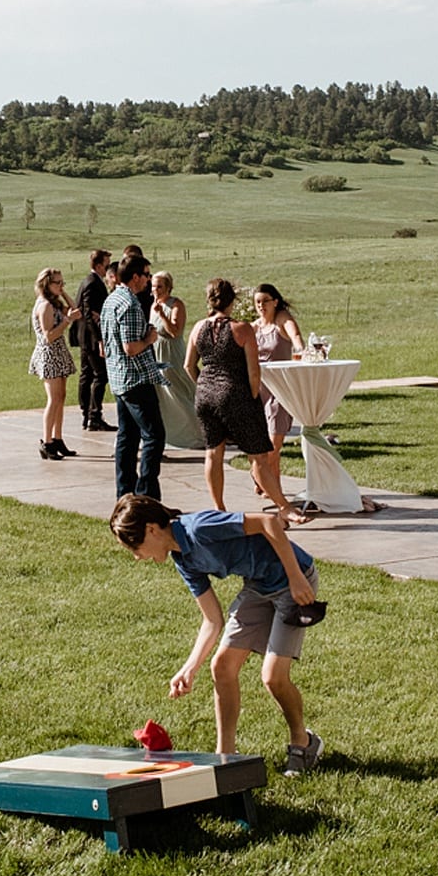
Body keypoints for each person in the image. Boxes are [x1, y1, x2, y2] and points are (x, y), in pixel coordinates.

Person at [109, 494, 325, 775]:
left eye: (135, 547)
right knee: (221, 666)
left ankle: (303, 742)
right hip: (258, 585)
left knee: (273, 677)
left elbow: (269, 522)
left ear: (152, 529)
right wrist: (189, 668)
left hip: (294, 579)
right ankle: (225, 757)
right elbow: (212, 619)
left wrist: (295, 577)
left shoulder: (199, 528)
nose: (137, 557)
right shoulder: (183, 560)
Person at [187, 278, 298, 517]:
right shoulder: (242, 329)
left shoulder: (198, 328)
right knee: (257, 455)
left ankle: (219, 507)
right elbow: (254, 371)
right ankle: (284, 507)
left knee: (213, 453)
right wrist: (254, 396)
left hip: (205, 396)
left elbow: (188, 365)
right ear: (232, 302)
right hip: (235, 394)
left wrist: (204, 384)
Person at [101, 254, 166, 499]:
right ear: (136, 277)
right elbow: (131, 348)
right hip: (135, 379)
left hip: (119, 379)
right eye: (147, 275)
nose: (149, 280)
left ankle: (125, 494)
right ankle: (146, 495)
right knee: (154, 435)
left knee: (128, 438)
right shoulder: (129, 304)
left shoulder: (111, 300)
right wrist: (149, 338)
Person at [148, 271, 206, 451]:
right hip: (157, 353)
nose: (155, 290)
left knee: (181, 392)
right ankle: (172, 433)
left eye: (159, 287)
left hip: (172, 353)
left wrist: (163, 315)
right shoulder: (153, 305)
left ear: (168, 288)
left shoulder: (176, 305)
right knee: (164, 395)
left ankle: (198, 433)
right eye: (153, 286)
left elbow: (175, 332)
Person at [28, 267, 82, 460]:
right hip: (49, 353)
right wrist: (67, 320)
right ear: (46, 284)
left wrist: (63, 292)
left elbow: (75, 307)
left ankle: (57, 437)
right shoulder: (45, 306)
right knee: (53, 399)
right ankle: (46, 441)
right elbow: (49, 336)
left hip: (59, 352)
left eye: (62, 282)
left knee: (61, 397)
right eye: (57, 282)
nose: (60, 285)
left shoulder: (54, 303)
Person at [251, 283, 303, 463]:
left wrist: (301, 350)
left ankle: (264, 481)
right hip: (257, 391)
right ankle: (267, 484)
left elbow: (295, 336)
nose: (261, 305)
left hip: (279, 390)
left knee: (273, 445)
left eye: (265, 301)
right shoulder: (254, 328)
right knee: (258, 444)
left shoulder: (281, 319)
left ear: (275, 302)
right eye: (257, 302)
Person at [75, 249, 114, 432]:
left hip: (86, 337)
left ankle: (87, 413)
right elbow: (89, 314)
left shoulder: (89, 281)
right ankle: (93, 414)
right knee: (100, 375)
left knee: (87, 374)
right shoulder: (92, 283)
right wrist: (99, 339)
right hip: (91, 338)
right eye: (106, 265)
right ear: (99, 266)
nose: (107, 269)